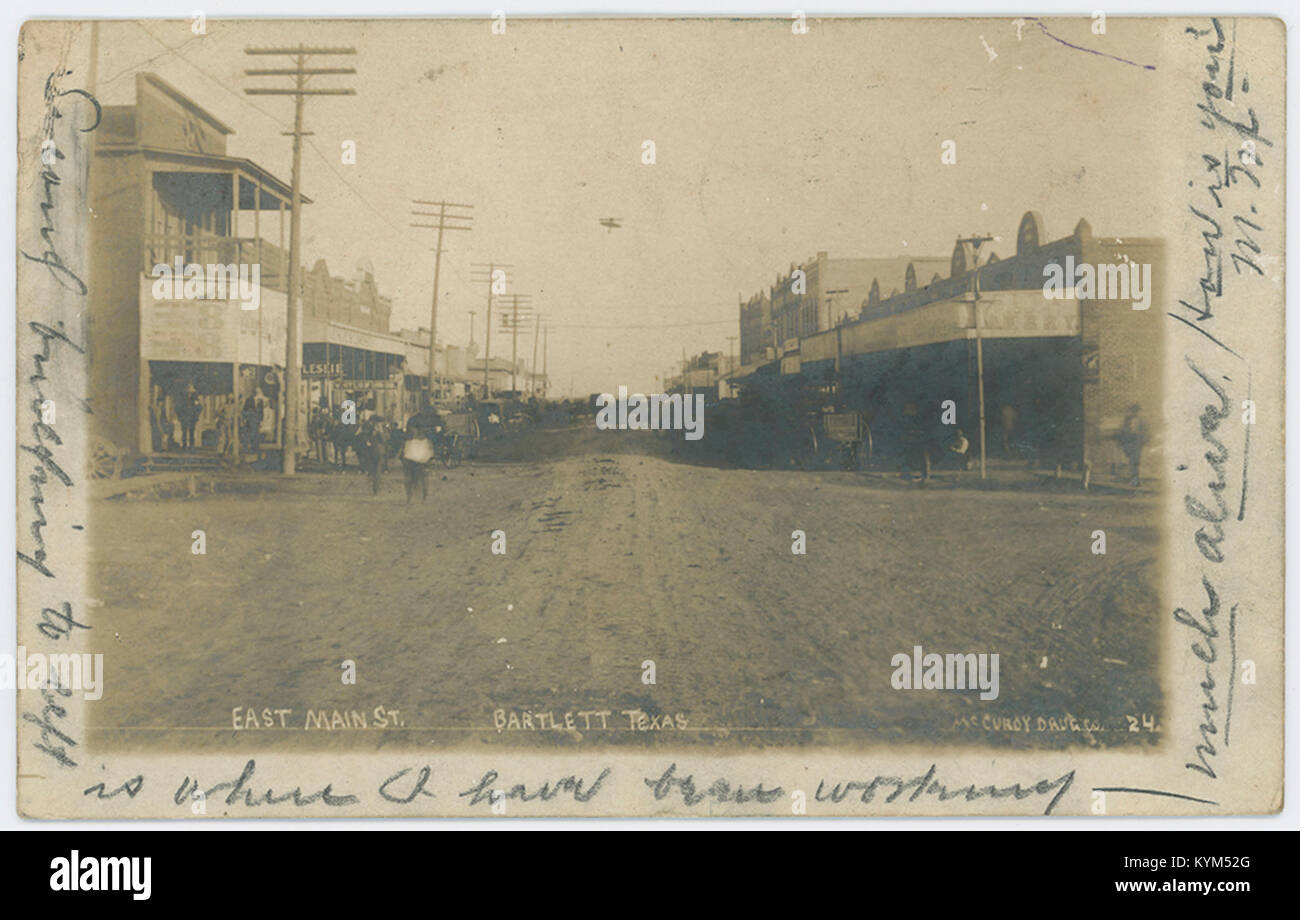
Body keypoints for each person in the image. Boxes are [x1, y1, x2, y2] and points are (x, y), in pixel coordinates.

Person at [1118, 404, 1148, 487]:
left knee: (1135, 462)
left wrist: (1143, 441)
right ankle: (1133, 479)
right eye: (1134, 411)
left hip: (1137, 443)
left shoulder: (1142, 421)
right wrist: (1123, 443)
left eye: (1137, 411)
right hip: (1129, 442)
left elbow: (1145, 432)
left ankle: (1135, 479)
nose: (1135, 413)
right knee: (1132, 462)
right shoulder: (1127, 420)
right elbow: (1123, 431)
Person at [177, 384, 201, 450]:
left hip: (192, 418)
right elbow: (178, 408)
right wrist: (180, 416)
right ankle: (184, 446)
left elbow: (199, 408)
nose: (189, 393)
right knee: (184, 432)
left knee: (191, 432)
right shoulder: (182, 398)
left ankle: (191, 446)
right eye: (188, 391)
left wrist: (196, 415)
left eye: (191, 392)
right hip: (184, 418)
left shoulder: (195, 398)